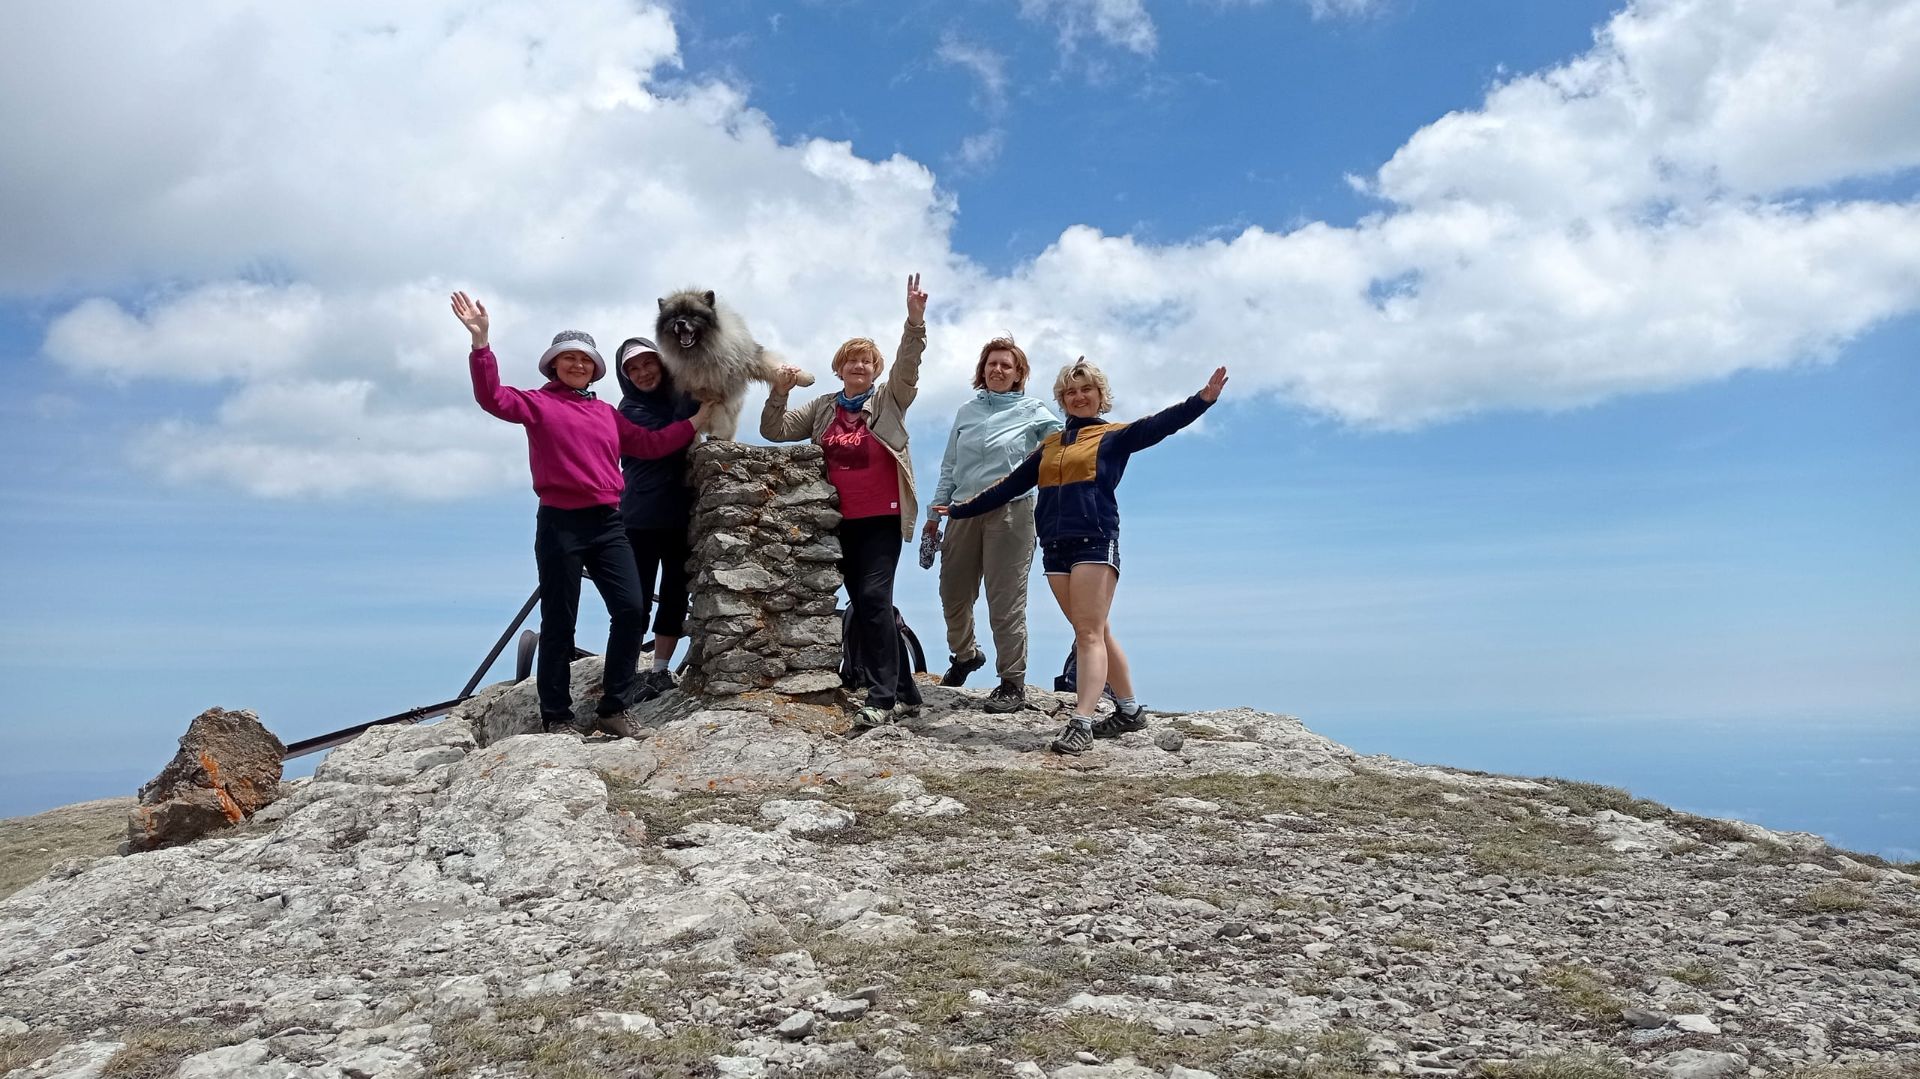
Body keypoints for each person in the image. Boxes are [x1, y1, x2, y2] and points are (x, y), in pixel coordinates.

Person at [451, 292, 710, 737]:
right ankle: (557, 716)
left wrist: (697, 420)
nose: (577, 365)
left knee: (631, 610)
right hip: (560, 522)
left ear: (594, 369)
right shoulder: (537, 403)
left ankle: (615, 707)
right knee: (560, 620)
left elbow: (650, 445)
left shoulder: (606, 412)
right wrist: (481, 344)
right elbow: (492, 398)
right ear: (554, 366)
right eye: (568, 359)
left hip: (608, 523)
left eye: (584, 360)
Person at [942, 358, 1229, 755]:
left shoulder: (1115, 436)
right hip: (1055, 546)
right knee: (1098, 630)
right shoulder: (1050, 446)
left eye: (1086, 390)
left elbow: (1162, 423)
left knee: (1087, 633)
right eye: (1070, 392)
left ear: (1099, 396)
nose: (1078, 397)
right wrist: (958, 510)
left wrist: (1203, 400)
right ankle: (1128, 710)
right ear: (1062, 399)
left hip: (1094, 541)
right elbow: (1007, 487)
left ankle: (1081, 721)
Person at [761, 274, 929, 730]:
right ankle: (907, 690)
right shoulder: (821, 408)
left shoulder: (891, 399)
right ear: (839, 369)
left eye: (866, 361)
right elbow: (773, 432)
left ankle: (882, 696)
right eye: (851, 361)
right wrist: (779, 390)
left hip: (882, 517)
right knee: (866, 600)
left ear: (875, 369)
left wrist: (914, 322)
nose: (859, 366)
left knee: (873, 598)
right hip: (838, 522)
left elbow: (908, 366)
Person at [924, 336, 1062, 713]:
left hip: (1012, 512)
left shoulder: (1034, 410)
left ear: (1019, 374)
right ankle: (966, 655)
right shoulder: (967, 411)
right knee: (953, 594)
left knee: (1005, 602)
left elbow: (1064, 444)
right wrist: (934, 516)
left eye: (1006, 365)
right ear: (982, 370)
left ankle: (1012, 682)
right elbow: (950, 466)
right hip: (962, 511)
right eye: (992, 364)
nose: (998, 370)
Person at [612, 336, 700, 703]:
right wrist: (701, 413)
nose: (643, 372)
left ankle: (660, 672)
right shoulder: (629, 410)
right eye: (632, 368)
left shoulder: (682, 395)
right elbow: (670, 436)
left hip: (681, 515)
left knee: (676, 596)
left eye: (648, 363)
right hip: (640, 518)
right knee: (635, 602)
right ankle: (624, 676)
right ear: (625, 377)